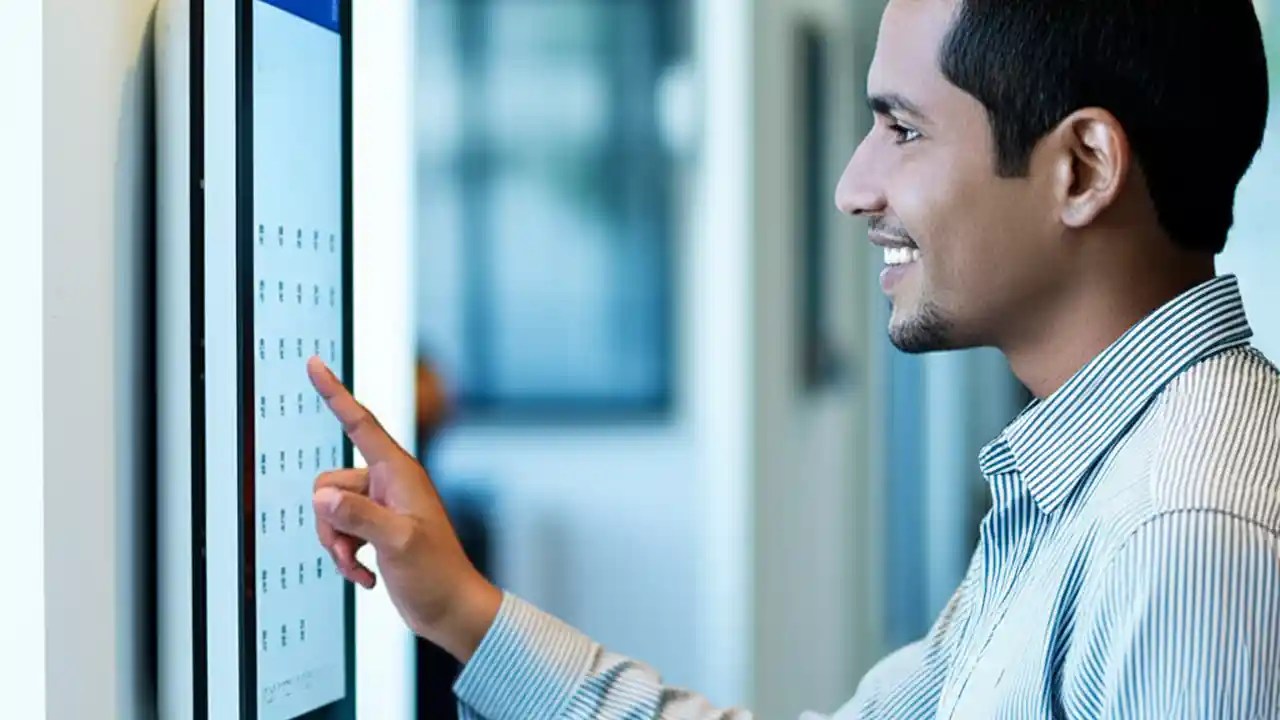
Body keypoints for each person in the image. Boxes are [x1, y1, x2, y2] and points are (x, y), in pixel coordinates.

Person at [304, 0, 1280, 716]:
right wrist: (464, 615)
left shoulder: (1181, 533)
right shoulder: (1083, 483)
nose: (853, 186)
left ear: (1081, 171)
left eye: (900, 129)